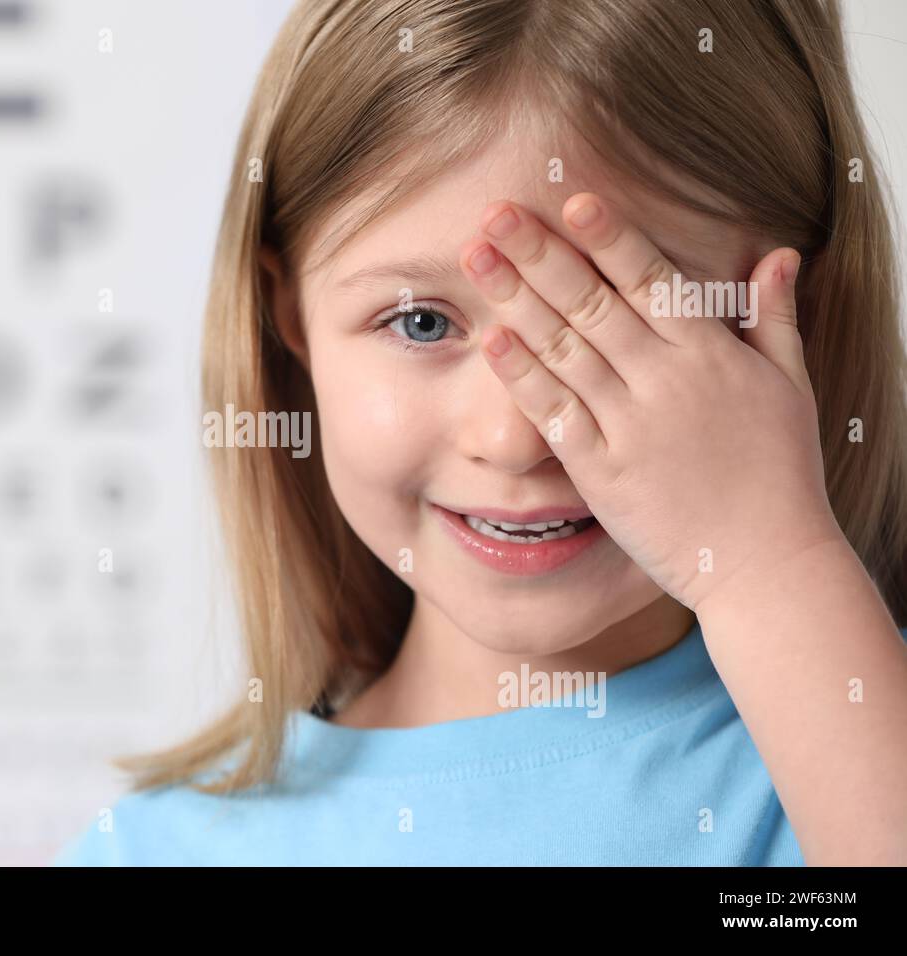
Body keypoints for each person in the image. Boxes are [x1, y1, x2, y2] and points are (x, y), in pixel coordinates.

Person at [54, 0, 907, 865]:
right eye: (421, 323)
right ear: (291, 320)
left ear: (798, 313)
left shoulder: (855, 765)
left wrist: (769, 567)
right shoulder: (157, 851)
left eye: (616, 321)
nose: (515, 437)